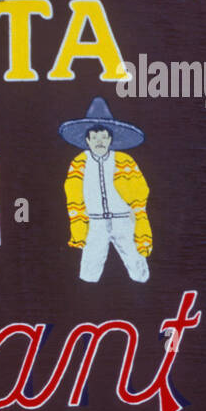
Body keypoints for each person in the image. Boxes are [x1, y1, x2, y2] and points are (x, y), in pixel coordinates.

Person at [59, 97, 152, 283]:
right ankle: (88, 303)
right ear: (87, 140)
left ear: (110, 139)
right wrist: (79, 225)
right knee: (89, 272)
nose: (99, 141)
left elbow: (140, 189)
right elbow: (73, 193)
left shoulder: (124, 161)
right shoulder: (79, 162)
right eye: (94, 137)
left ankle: (144, 296)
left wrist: (137, 214)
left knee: (139, 270)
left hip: (123, 220)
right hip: (95, 223)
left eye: (103, 137)